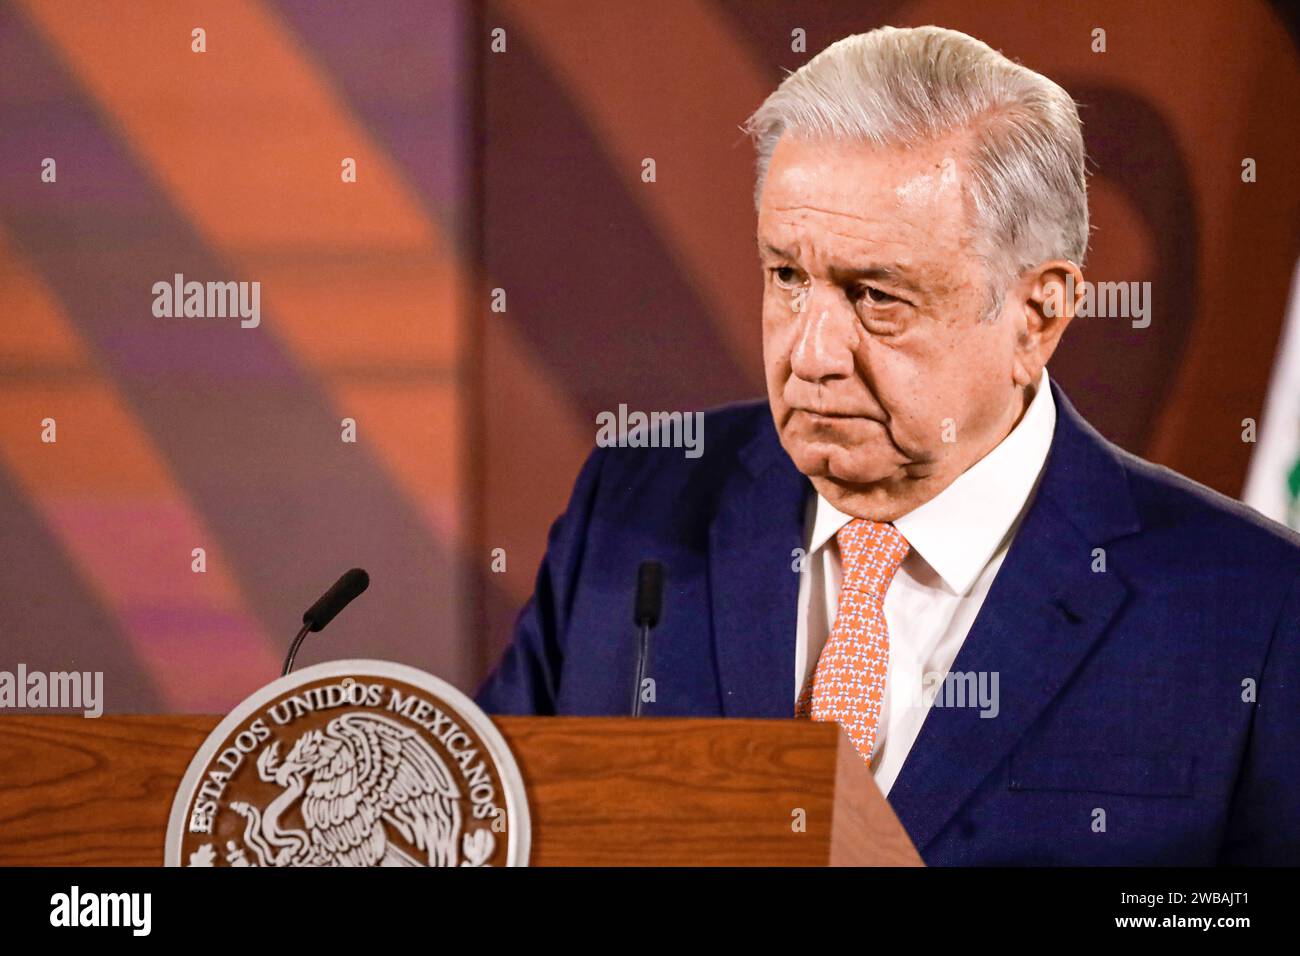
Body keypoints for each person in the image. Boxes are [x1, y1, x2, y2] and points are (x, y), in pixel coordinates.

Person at [475, 25, 1300, 865]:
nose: (811, 354)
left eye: (876, 296)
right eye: (787, 277)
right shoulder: (634, 507)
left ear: (1037, 316)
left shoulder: (1254, 607)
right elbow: (488, 829)